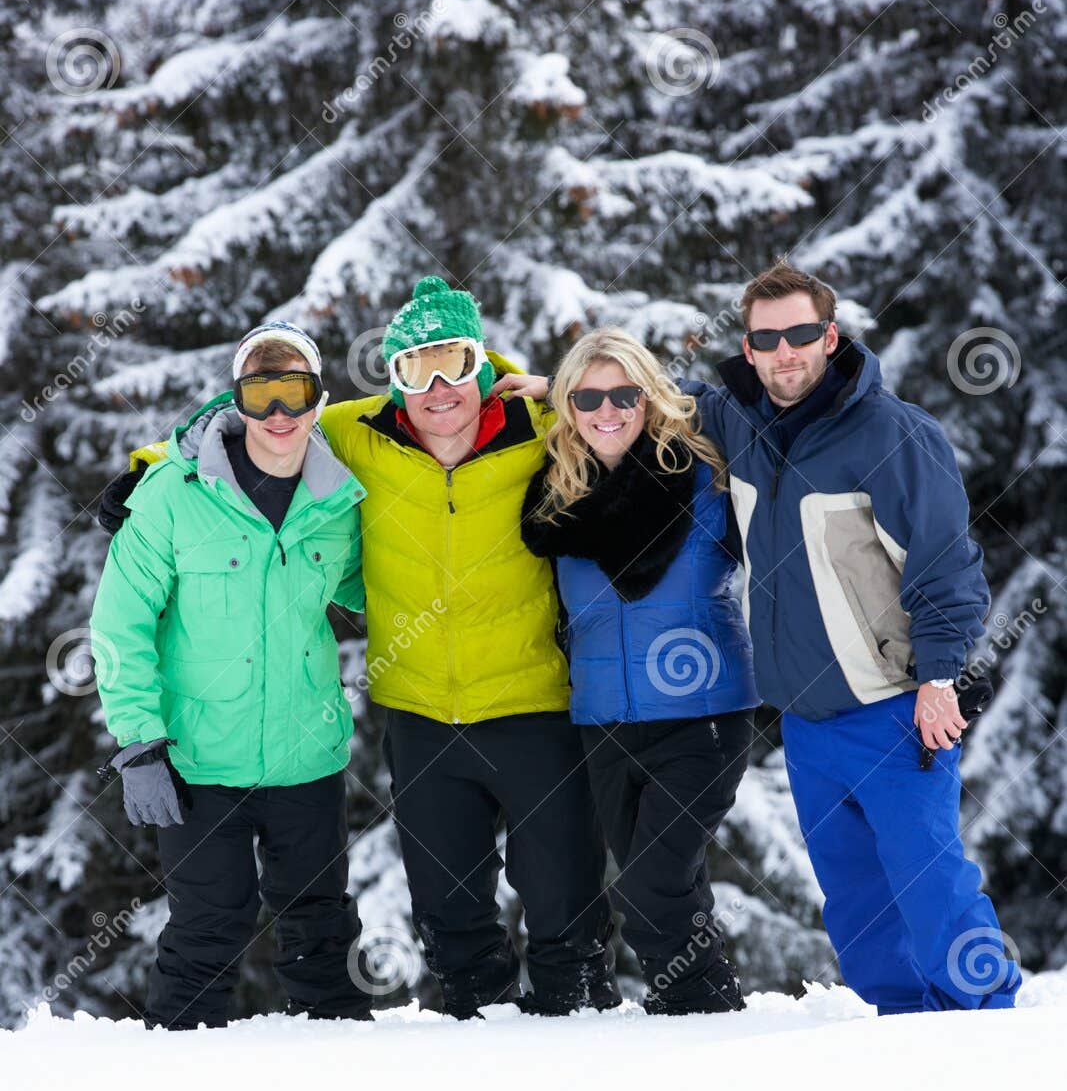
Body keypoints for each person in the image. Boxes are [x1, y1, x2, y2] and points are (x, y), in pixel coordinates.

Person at [100, 281, 619, 1021]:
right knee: (428, 916)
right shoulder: (332, 440)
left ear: (479, 365)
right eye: (414, 370)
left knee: (551, 902)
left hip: (499, 710)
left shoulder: (527, 431)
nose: (435, 389)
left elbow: (646, 411)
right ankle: (476, 1038)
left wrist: (561, 389)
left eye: (454, 365)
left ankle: (577, 1042)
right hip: (331, 731)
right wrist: (153, 458)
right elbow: (240, 426)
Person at [511, 258, 1019, 1013]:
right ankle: (904, 1025)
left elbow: (946, 568)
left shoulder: (891, 434)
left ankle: (985, 1018)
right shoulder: (738, 423)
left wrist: (940, 678)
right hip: (805, 715)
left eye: (800, 334)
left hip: (892, 705)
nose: (785, 352)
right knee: (853, 898)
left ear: (829, 335)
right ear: (746, 349)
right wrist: (554, 389)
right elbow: (643, 403)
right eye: (766, 339)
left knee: (927, 876)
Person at [90, 322, 372, 1029]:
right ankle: (180, 1078)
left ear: (318, 399)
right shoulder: (171, 496)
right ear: (237, 399)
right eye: (260, 393)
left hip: (306, 755)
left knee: (322, 930)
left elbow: (385, 591)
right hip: (197, 761)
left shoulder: (340, 500)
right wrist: (139, 744)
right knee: (207, 928)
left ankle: (345, 1074)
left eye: (295, 392)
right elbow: (119, 626)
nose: (279, 413)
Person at [520, 328, 758, 1014]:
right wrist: (545, 391)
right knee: (668, 882)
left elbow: (749, 401)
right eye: (587, 397)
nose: (606, 410)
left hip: (701, 713)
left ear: (650, 397)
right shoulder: (558, 495)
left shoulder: (706, 476)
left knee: (650, 884)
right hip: (604, 720)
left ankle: (698, 1005)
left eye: (624, 393)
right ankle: (697, 1012)